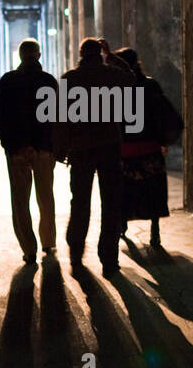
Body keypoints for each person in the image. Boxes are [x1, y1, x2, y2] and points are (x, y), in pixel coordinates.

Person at [53, 37, 136, 278]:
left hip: (80, 149)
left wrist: (60, 150)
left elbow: (60, 119)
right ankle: (109, 260)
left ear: (80, 54)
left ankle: (76, 254)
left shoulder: (69, 79)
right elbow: (132, 79)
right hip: (109, 145)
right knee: (111, 204)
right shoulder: (112, 74)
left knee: (79, 202)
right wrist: (112, 56)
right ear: (99, 53)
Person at [0, 39, 58, 264]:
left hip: (17, 150)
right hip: (43, 148)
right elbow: (54, 117)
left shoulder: (8, 81)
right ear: (38, 55)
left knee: (20, 201)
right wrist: (52, 145)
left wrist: (11, 145)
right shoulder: (48, 81)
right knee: (45, 197)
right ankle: (48, 242)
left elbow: (2, 117)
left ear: (21, 56)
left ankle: (29, 249)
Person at [115, 48, 183, 249]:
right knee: (153, 189)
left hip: (125, 150)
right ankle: (154, 230)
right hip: (150, 149)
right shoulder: (151, 86)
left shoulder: (117, 90)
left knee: (125, 190)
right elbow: (165, 115)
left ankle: (123, 224)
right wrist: (163, 141)